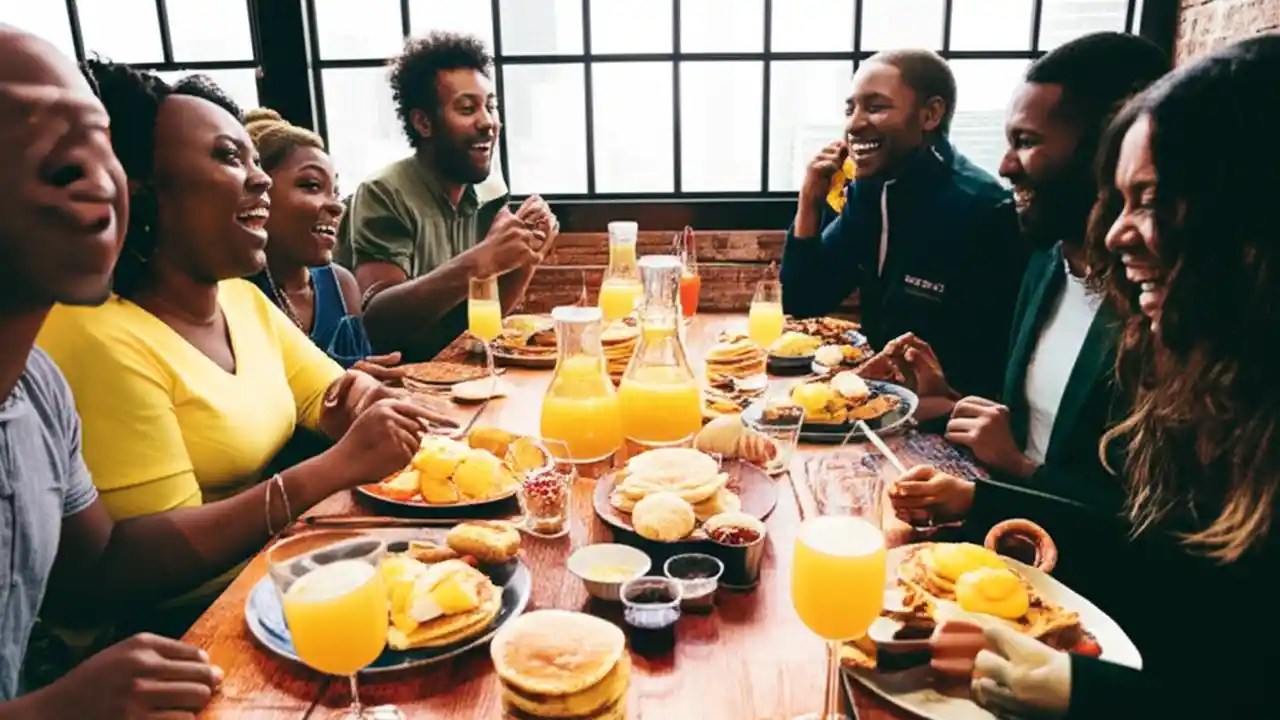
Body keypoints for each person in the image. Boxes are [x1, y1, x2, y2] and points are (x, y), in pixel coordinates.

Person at [35, 61, 449, 647]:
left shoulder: (241, 300)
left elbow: (330, 397)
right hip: (176, 632)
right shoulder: (97, 335)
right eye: (231, 158)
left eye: (257, 162)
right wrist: (330, 468)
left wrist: (360, 399)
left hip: (279, 577)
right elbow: (150, 571)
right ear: (147, 190)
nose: (260, 182)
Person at [930, 34, 1280, 719]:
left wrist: (1070, 690)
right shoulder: (1227, 391)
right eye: (1120, 199)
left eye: (1150, 199)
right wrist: (982, 503)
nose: (1117, 234)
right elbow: (1179, 558)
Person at [886, 34, 1170, 597]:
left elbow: (1158, 530)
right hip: (1005, 546)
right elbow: (1032, 424)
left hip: (1090, 589)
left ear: (1102, 153)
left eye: (1027, 142)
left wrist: (1019, 472)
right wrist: (948, 400)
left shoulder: (1160, 311)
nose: (1004, 164)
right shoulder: (1045, 263)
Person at [0, 26, 223, 716]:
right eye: (20, 124)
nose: (86, 169)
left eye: (96, 136)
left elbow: (98, 565)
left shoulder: (37, 388)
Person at [780, 49, 1025, 401]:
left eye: (876, 107)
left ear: (930, 114)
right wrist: (809, 199)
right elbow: (803, 299)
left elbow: (997, 364)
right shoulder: (868, 190)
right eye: (851, 109)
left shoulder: (985, 208)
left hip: (947, 420)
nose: (854, 124)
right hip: (874, 398)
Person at [337, 32, 558, 361]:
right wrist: (480, 261)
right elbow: (377, 325)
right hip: (392, 382)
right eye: (467, 109)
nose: (488, 122)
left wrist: (525, 257)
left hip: (455, 368)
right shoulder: (384, 193)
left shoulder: (488, 190)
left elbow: (486, 311)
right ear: (424, 123)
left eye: (491, 106)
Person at [242, 107, 403, 377]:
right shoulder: (234, 298)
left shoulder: (341, 285)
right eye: (311, 185)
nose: (336, 206)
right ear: (258, 191)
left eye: (336, 192)